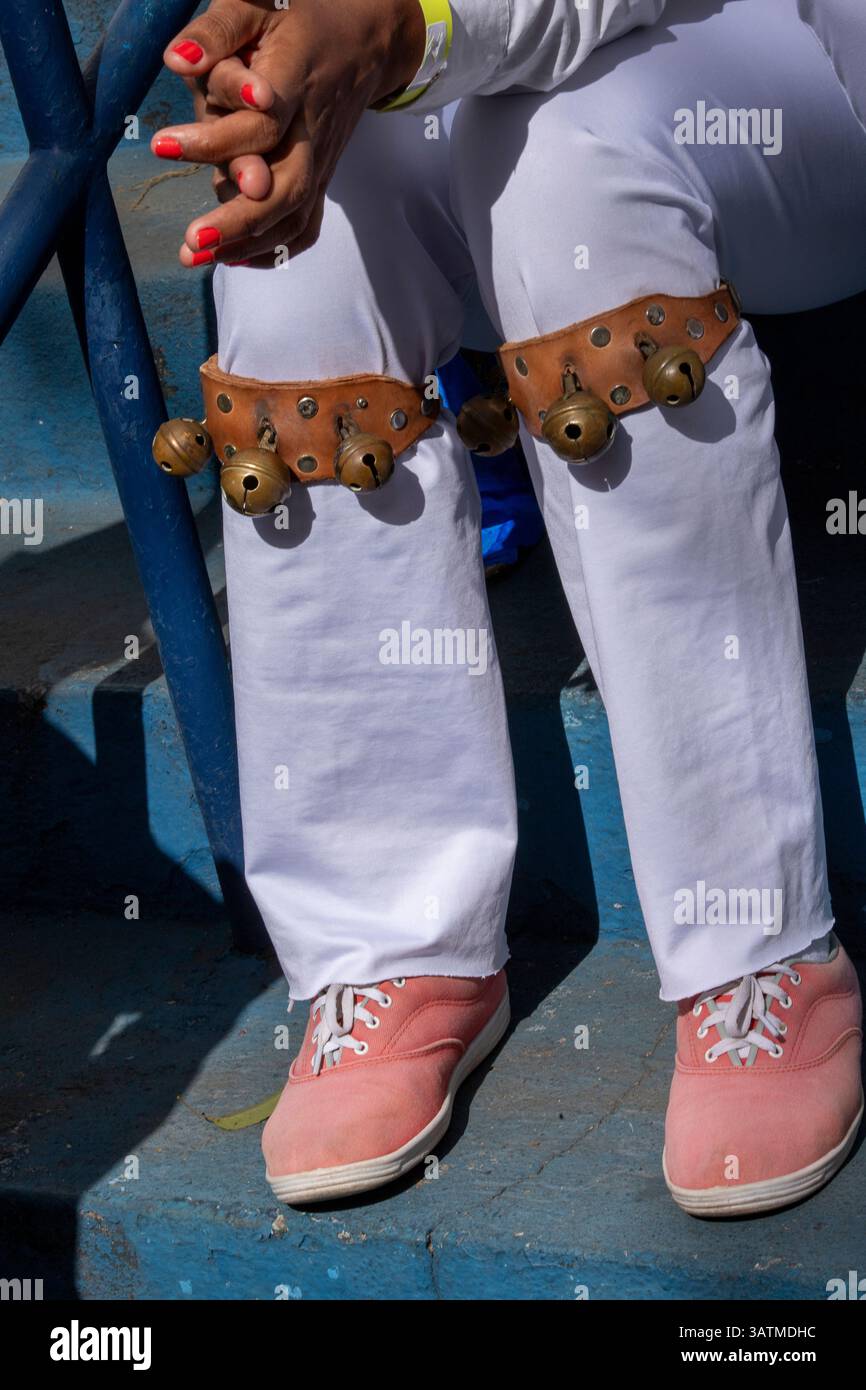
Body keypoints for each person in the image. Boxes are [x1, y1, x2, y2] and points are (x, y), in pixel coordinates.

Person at [151, 0, 865, 1215]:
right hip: (453, 54)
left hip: (787, 63)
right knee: (298, 226)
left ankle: (755, 947)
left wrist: (402, 32)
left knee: (572, 161)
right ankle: (392, 944)